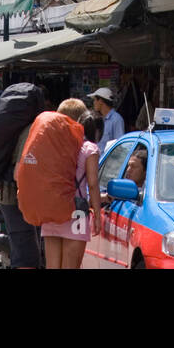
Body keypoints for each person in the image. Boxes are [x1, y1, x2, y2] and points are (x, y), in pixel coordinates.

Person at [41, 99, 103, 269]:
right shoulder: (88, 148)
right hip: (76, 211)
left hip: (51, 210)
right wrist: (97, 214)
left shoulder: (51, 145)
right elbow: (92, 183)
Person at [91, 87, 124, 154]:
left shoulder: (116, 119)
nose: (94, 103)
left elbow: (119, 145)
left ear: (101, 101)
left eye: (95, 100)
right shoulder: (99, 119)